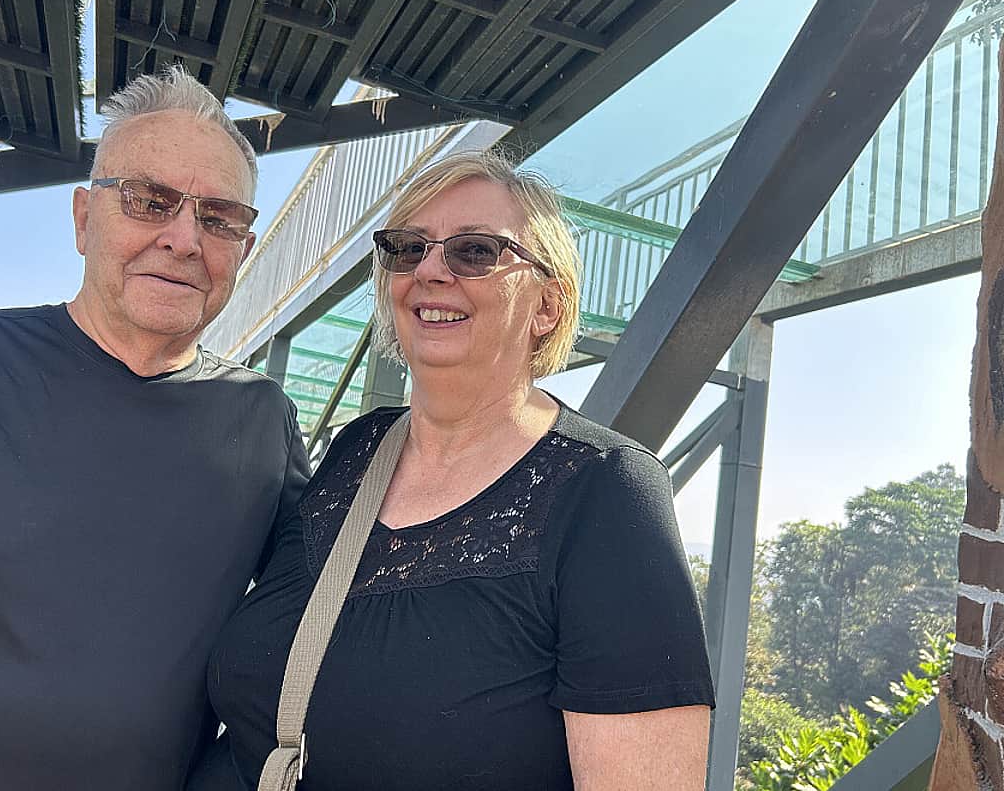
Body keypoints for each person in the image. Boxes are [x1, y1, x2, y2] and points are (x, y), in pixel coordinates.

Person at [0, 65, 309, 791]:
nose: (182, 238)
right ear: (82, 218)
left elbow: (314, 632)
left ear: (243, 250)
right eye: (148, 199)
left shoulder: (264, 422)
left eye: (219, 217)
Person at [200, 151, 714, 789]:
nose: (430, 270)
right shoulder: (357, 449)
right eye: (407, 248)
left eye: (474, 251)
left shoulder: (607, 490)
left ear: (548, 306)